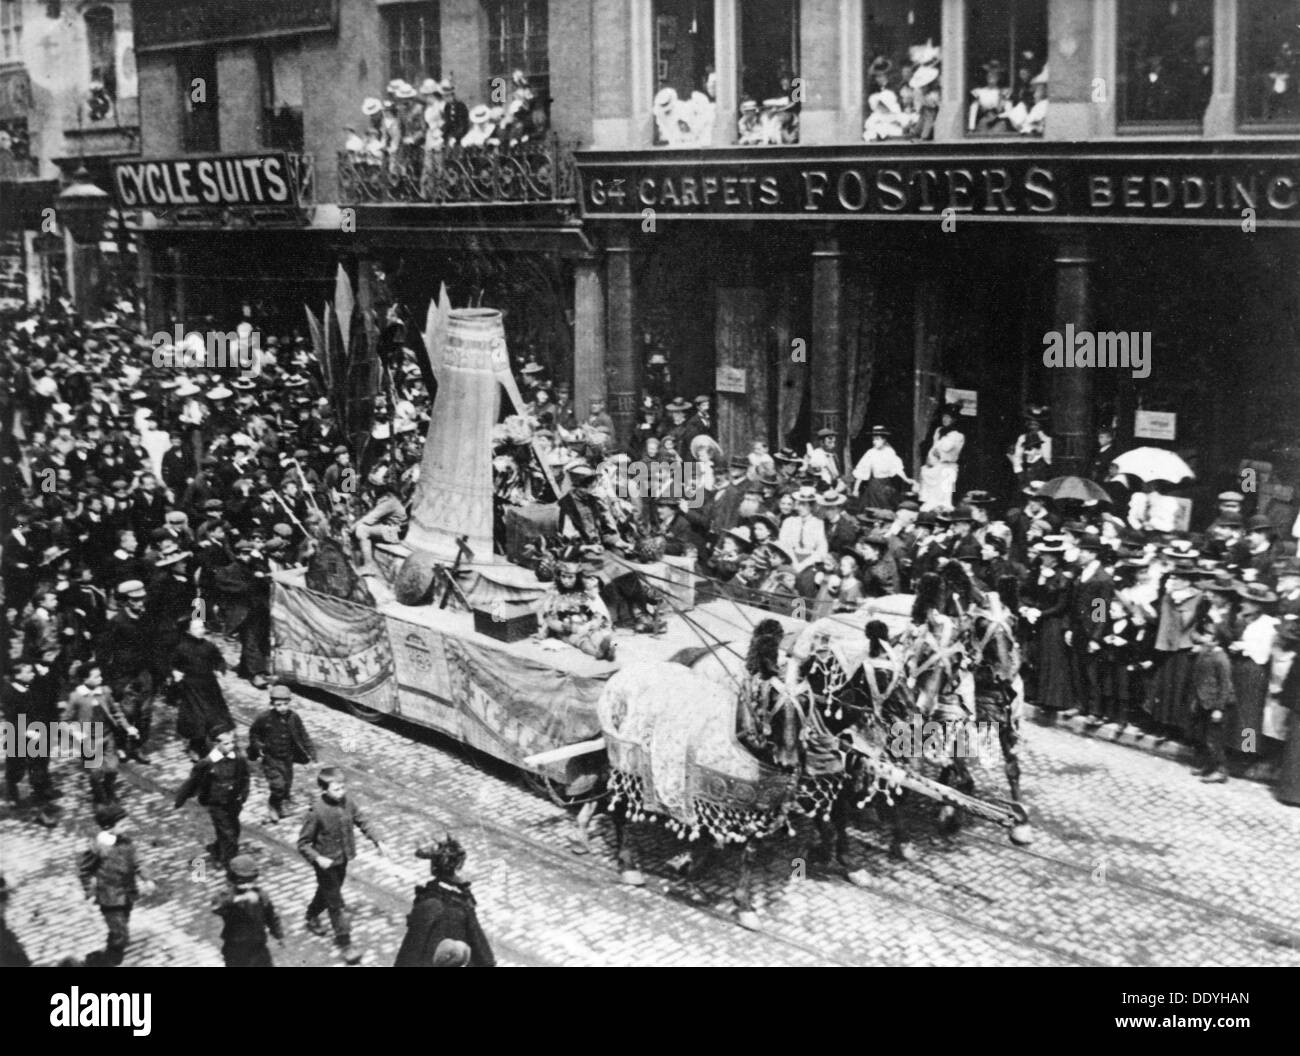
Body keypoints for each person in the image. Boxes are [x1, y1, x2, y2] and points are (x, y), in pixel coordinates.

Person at [298, 766, 389, 964]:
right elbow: (303, 844)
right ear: (324, 790)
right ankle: (345, 943)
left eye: (342, 788)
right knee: (336, 903)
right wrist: (318, 858)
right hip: (325, 863)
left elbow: (361, 820)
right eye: (336, 789)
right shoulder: (316, 812)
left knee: (328, 892)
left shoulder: (348, 802)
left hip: (343, 859)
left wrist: (377, 840)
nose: (341, 792)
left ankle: (311, 914)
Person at [393, 835, 496, 967]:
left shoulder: (429, 901)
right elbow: (478, 941)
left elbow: (411, 950)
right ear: (457, 866)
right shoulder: (462, 900)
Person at [79, 803, 155, 966]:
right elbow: (85, 870)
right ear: (109, 827)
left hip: (128, 894)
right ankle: (110, 960)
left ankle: (112, 946)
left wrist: (146, 878)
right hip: (109, 898)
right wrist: (90, 890)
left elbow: (138, 861)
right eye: (122, 825)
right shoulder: (97, 847)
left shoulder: (127, 841)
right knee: (121, 934)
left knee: (121, 926)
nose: (126, 827)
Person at [174, 726, 251, 867]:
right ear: (216, 745)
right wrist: (181, 798)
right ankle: (229, 861)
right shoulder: (208, 762)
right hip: (217, 803)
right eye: (226, 743)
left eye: (232, 742)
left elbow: (245, 777)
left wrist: (243, 795)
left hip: (234, 801)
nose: (231, 746)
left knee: (234, 829)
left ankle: (217, 848)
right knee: (228, 833)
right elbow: (193, 780)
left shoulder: (238, 758)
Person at [248, 683, 318, 822]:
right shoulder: (264, 718)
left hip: (287, 758)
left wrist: (311, 752)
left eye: (285, 704)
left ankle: (282, 803)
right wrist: (258, 746)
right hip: (271, 758)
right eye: (279, 705)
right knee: (278, 785)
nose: (283, 708)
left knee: (286, 784)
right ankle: (273, 805)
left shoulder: (294, 717)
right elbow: (254, 734)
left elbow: (303, 735)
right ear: (272, 704)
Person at [170, 616, 234, 758]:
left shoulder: (209, 646)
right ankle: (196, 747)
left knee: (215, 716)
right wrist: (175, 673)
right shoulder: (181, 648)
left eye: (202, 627)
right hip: (191, 688)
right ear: (188, 631)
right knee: (196, 718)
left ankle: (218, 746)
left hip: (210, 686)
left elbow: (219, 660)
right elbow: (173, 664)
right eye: (197, 628)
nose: (201, 630)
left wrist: (219, 670)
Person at [212, 855, 284, 967]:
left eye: (250, 881)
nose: (247, 885)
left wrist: (278, 934)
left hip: (258, 947)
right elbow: (216, 907)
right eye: (242, 881)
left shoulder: (261, 895)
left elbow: (271, 916)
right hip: (235, 949)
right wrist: (240, 898)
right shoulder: (228, 894)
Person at [918, 403, 965, 511]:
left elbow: (946, 448)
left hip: (947, 468)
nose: (945, 419)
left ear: (953, 420)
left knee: (944, 498)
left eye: (948, 417)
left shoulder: (957, 435)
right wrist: (930, 459)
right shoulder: (939, 431)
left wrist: (937, 453)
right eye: (944, 416)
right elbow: (934, 448)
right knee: (931, 497)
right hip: (935, 467)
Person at [852, 425, 911, 509]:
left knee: (888, 508)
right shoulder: (870, 453)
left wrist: (906, 479)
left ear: (884, 440)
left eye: (877, 439)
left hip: (887, 485)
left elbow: (897, 468)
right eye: (873, 439)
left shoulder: (890, 452)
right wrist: (855, 489)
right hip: (875, 486)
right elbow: (862, 471)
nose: (874, 441)